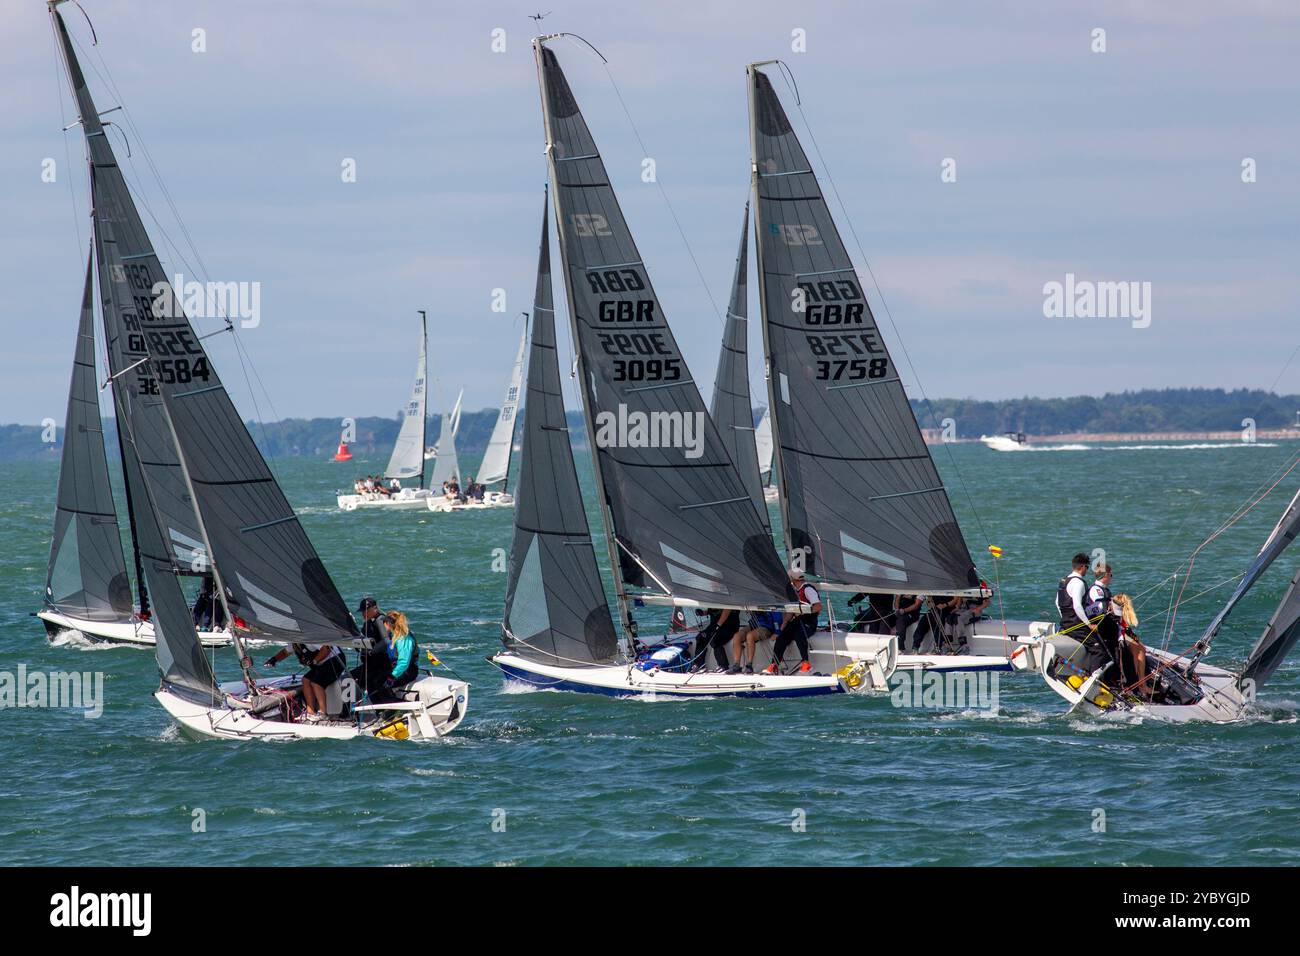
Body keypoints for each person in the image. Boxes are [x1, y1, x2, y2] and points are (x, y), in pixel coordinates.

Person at [264, 642, 345, 721]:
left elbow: (326, 649)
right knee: (305, 680)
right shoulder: (295, 643)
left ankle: (323, 714)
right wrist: (273, 659)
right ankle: (310, 713)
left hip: (336, 661)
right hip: (322, 665)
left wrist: (314, 661)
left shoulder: (310, 640)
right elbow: (285, 652)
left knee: (316, 683)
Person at [764, 572, 822, 674]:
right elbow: (791, 610)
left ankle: (806, 663)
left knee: (799, 634)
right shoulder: (793, 591)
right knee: (782, 637)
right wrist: (783, 625)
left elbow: (818, 607)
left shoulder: (808, 589)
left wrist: (803, 611)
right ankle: (774, 664)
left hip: (809, 622)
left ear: (792, 579)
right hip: (797, 621)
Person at [1057, 552, 1107, 672]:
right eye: (1087, 567)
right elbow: (1077, 606)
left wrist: (1065, 618)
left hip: (1065, 625)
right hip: (1078, 627)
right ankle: (1094, 678)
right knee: (1099, 649)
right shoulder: (1078, 583)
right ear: (1082, 567)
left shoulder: (1064, 581)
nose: (1087, 570)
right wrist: (1088, 624)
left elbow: (1057, 603)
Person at [369, 611, 420, 704]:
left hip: (408, 671)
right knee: (372, 680)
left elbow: (404, 662)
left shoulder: (404, 638)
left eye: (384, 624)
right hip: (397, 669)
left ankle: (393, 708)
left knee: (380, 683)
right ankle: (381, 709)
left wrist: (392, 677)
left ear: (388, 623)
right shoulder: (393, 636)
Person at [351, 596, 394, 701]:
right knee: (350, 677)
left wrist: (371, 651)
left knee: (371, 682)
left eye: (366, 611)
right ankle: (354, 708)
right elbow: (363, 641)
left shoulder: (380, 620)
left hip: (381, 665)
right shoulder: (367, 623)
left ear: (375, 608)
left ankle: (381, 707)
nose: (363, 614)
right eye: (362, 611)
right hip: (370, 664)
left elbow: (386, 641)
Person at [729, 609, 780, 674]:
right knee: (737, 636)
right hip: (754, 624)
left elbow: (777, 618)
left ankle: (749, 665)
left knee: (750, 636)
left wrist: (777, 632)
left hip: (767, 627)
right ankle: (736, 665)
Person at [692, 608, 739, 672]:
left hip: (729, 625)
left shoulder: (727, 602)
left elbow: (727, 609)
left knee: (715, 639)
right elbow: (714, 611)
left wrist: (718, 625)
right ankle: (699, 665)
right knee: (701, 637)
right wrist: (703, 613)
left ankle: (723, 666)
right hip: (715, 625)